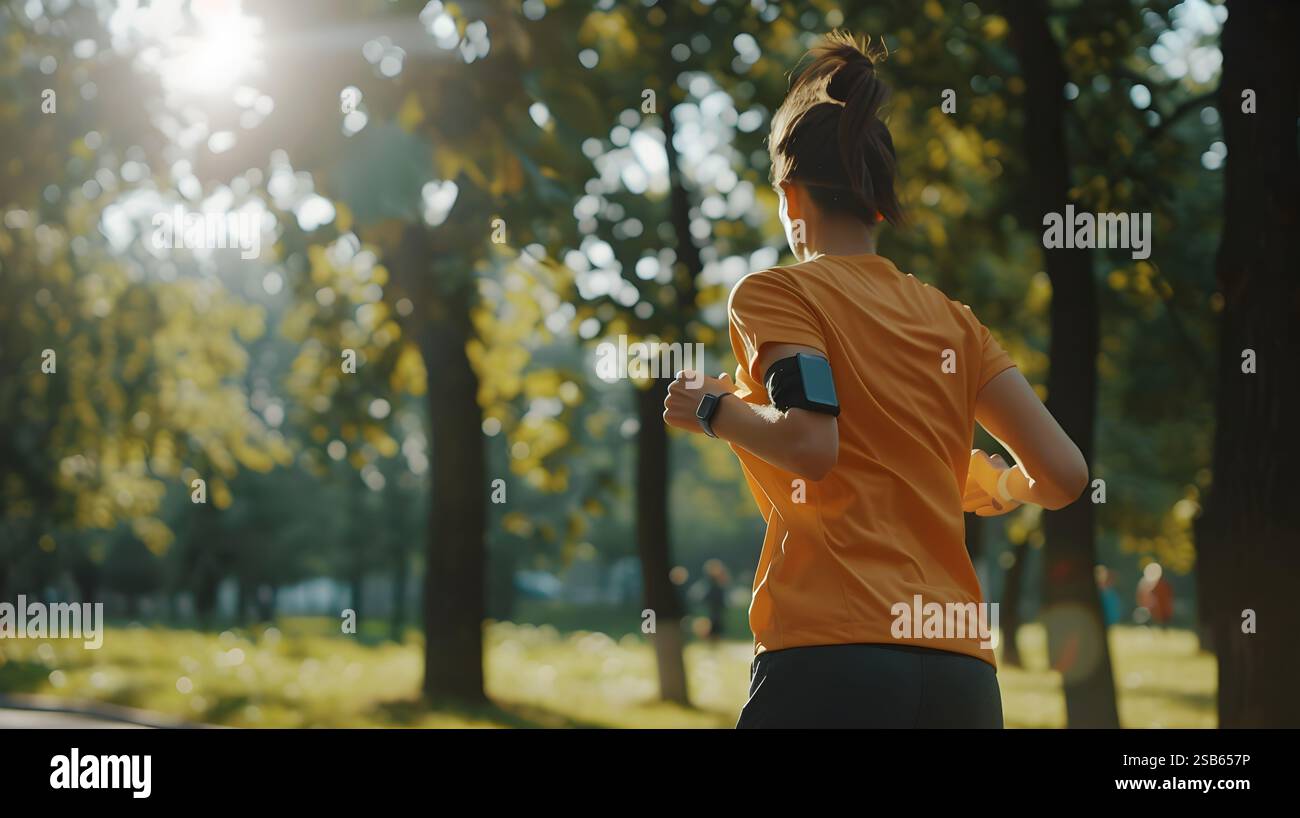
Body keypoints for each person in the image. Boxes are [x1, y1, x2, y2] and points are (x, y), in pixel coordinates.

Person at [661, 32, 1089, 728]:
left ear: (790, 196)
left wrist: (714, 408)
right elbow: (1065, 474)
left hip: (830, 659)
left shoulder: (775, 295)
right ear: (879, 201)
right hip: (961, 677)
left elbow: (811, 444)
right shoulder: (954, 322)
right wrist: (1000, 485)